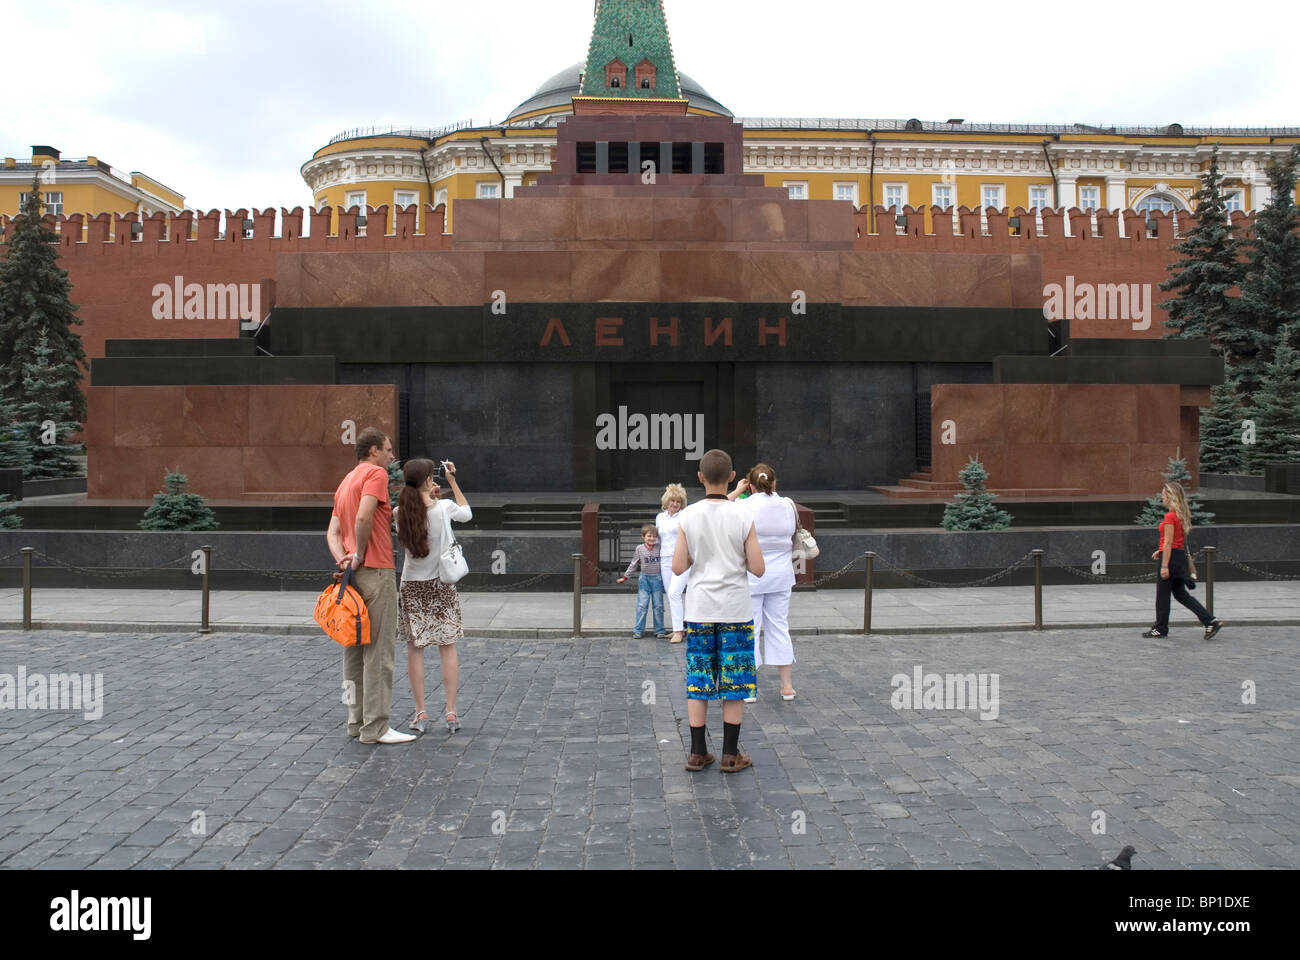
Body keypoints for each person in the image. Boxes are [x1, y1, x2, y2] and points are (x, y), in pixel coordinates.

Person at [672, 449, 765, 774]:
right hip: (735, 609)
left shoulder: (688, 515)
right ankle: (729, 754)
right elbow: (757, 568)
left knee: (699, 679)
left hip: (699, 608)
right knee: (734, 681)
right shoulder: (743, 516)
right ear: (730, 476)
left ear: (700, 477)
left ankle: (698, 753)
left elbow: (679, 565)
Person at [326, 427, 416, 745]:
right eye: (388, 450)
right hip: (376, 570)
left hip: (353, 576)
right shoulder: (374, 474)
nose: (392, 456)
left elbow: (333, 532)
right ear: (374, 450)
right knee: (379, 651)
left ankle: (356, 722)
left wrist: (344, 560)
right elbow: (364, 518)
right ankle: (376, 727)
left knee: (353, 648)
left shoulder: (346, 480)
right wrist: (361, 554)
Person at [396, 458, 471, 734]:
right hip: (441, 584)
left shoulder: (399, 512)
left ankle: (421, 713)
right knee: (447, 646)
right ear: (429, 480)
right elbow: (467, 512)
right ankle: (451, 713)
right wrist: (452, 480)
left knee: (415, 649)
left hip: (412, 585)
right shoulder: (443, 509)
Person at [729, 464, 798, 701]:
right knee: (779, 626)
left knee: (750, 627)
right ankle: (786, 686)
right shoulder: (788, 505)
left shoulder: (744, 505)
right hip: (781, 575)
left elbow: (716, 510)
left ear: (751, 484)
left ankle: (748, 686)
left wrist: (737, 491)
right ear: (774, 482)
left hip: (752, 575)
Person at [1142, 481, 1224, 640]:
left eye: (1164, 494)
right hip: (1177, 556)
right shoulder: (1180, 515)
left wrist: (1164, 565)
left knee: (1162, 595)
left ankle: (1160, 628)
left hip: (1171, 558)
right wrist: (1160, 550)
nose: (1162, 497)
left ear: (1171, 496)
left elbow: (1168, 542)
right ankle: (1210, 620)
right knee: (1180, 594)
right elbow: (1175, 541)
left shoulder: (1170, 516)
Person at [617, 523, 667, 639]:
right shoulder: (639, 549)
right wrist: (625, 577)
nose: (652, 538)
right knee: (642, 606)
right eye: (649, 536)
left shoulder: (659, 547)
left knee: (658, 606)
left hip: (657, 579)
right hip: (644, 580)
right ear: (643, 537)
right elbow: (633, 564)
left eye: (654, 536)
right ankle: (639, 630)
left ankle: (659, 629)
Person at [656, 484, 690, 643]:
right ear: (666, 501)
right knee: (671, 595)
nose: (675, 504)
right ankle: (680, 627)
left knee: (674, 593)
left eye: (678, 501)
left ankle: (678, 631)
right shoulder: (660, 517)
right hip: (665, 559)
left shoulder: (685, 516)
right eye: (672, 500)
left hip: (681, 559)